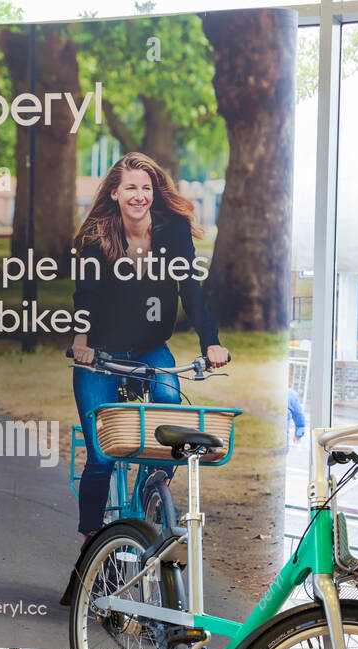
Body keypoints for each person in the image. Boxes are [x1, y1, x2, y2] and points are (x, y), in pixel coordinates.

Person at [70, 152, 229, 539]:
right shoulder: (97, 237)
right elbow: (85, 296)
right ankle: (92, 541)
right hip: (101, 356)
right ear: (114, 193)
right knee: (101, 453)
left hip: (150, 349)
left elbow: (190, 290)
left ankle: (148, 493)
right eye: (130, 188)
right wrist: (81, 341)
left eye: (146, 188)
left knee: (169, 407)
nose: (139, 196)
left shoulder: (171, 232)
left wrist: (211, 344)